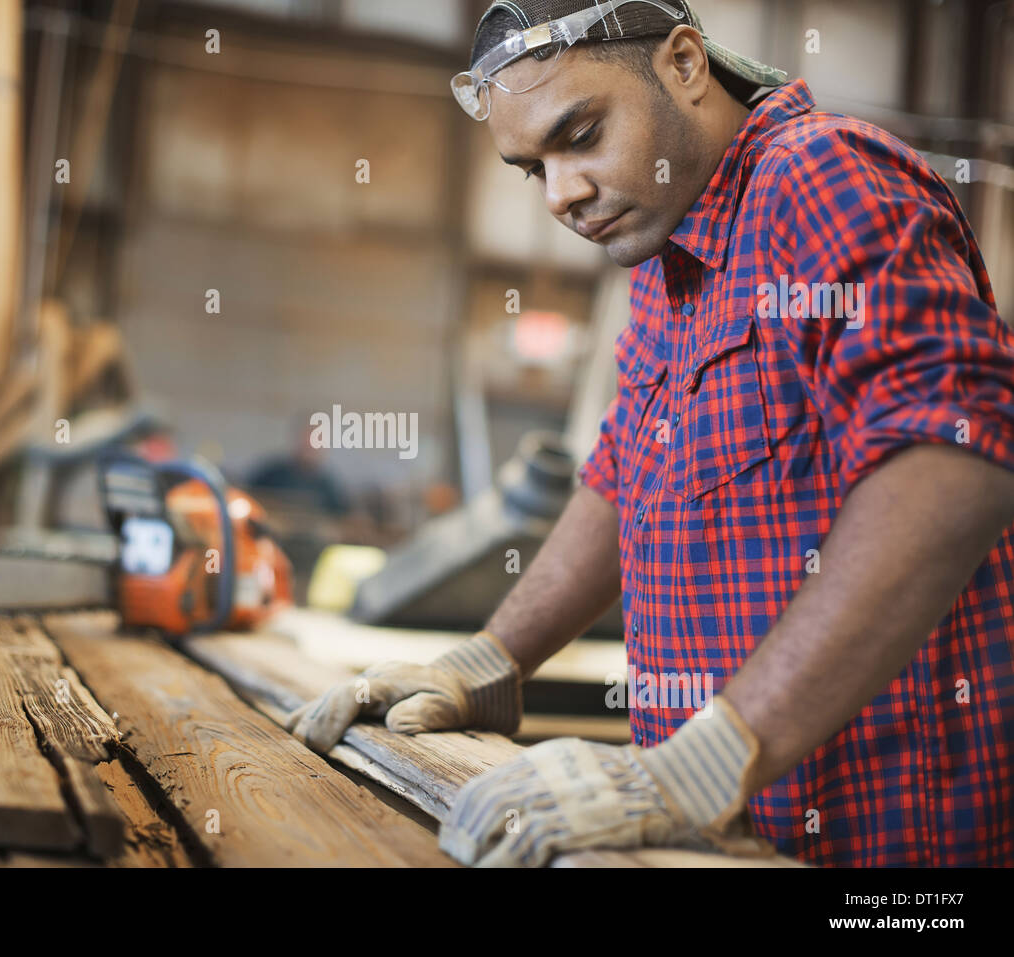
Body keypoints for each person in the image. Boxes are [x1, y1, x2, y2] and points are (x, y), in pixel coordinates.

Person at [286, 0, 1014, 867]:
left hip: (888, 860)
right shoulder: (672, 262)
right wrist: (488, 659)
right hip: (722, 837)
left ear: (683, 62)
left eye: (582, 134)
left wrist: (712, 758)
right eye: (532, 169)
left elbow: (954, 464)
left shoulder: (820, 178)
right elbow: (621, 475)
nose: (562, 195)